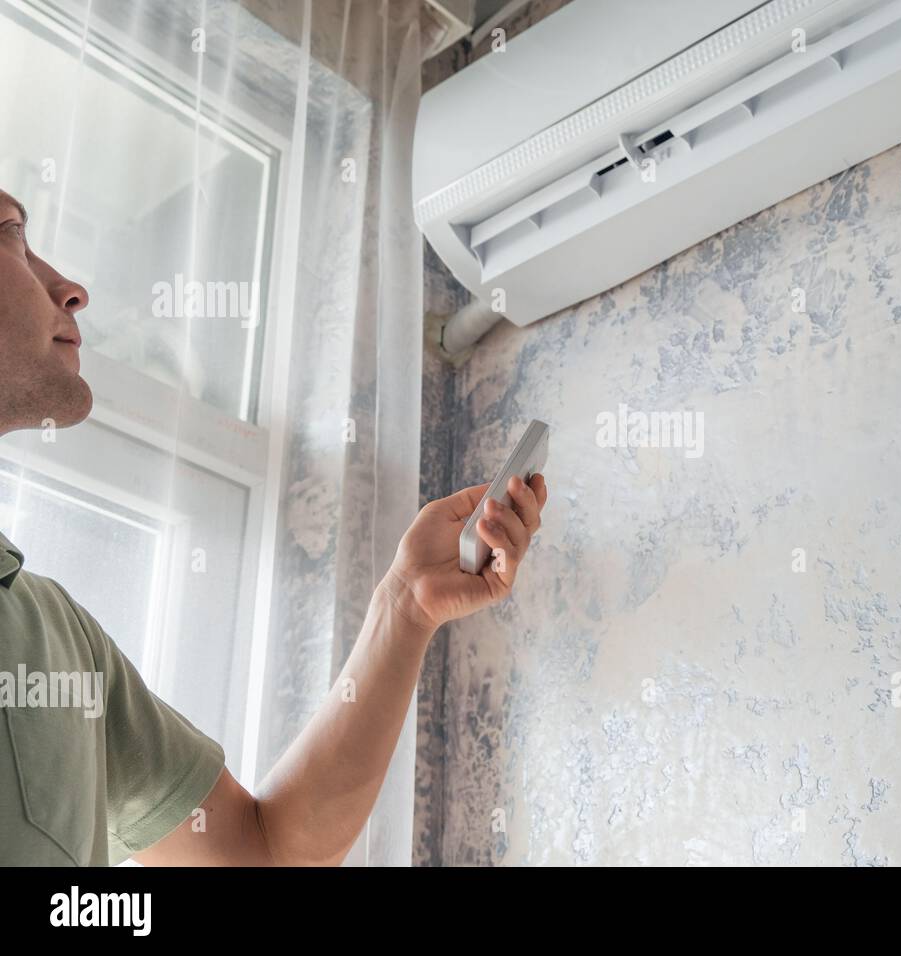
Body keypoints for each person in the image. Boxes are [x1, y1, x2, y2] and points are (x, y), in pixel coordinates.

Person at [0, 188, 546, 865]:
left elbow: (266, 851)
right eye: (10, 234)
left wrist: (406, 605)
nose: (71, 289)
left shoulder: (57, 639)